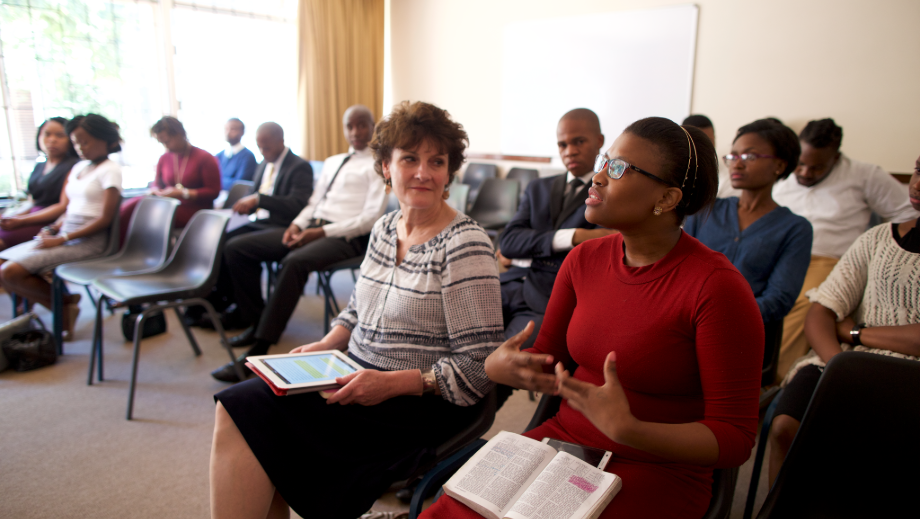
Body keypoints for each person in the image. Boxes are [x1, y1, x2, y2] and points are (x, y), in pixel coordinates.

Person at [422, 117, 764, 519]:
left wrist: (631, 430)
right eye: (605, 161)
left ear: (667, 199)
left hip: (657, 467)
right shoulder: (584, 259)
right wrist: (500, 364)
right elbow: (547, 360)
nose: (597, 177)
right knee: (448, 512)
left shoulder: (717, 287)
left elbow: (736, 438)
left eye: (617, 169)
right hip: (565, 445)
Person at [209, 101, 504, 519]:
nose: (423, 172)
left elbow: (477, 369)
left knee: (249, 414)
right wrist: (327, 342)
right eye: (409, 159)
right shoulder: (385, 227)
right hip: (353, 374)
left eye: (436, 161)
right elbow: (357, 308)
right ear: (385, 166)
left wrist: (391, 385)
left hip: (416, 403)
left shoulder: (465, 244)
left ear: (448, 173)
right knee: (243, 410)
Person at [767, 154, 920, 485]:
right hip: (841, 363)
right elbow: (822, 311)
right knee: (783, 427)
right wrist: (840, 365)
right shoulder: (878, 238)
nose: (917, 183)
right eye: (918, 170)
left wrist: (855, 332)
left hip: (907, 372)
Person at [208, 106, 385, 382]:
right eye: (350, 126)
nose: (356, 132)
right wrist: (297, 224)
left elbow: (369, 219)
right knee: (237, 248)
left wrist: (321, 232)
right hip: (314, 226)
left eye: (362, 125)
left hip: (347, 237)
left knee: (294, 262)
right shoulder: (333, 160)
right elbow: (314, 202)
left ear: (373, 126)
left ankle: (260, 347)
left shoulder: (379, 165)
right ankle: (255, 319)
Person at [772, 118, 918, 381]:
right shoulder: (781, 172)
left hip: (827, 260)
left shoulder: (863, 174)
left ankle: (773, 380)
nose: (805, 173)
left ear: (836, 158)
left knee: (800, 303)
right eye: (801, 165)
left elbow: (908, 211)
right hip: (780, 255)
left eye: (816, 168)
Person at [498, 108, 615, 350]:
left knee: (498, 358)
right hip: (515, 285)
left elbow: (603, 248)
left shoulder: (610, 191)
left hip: (556, 299)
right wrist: (575, 236)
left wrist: (531, 245)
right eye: (562, 145)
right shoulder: (538, 188)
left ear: (599, 141)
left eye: (578, 141)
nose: (569, 151)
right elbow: (509, 242)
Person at [0, 114, 123, 338]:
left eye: (85, 141)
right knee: (3, 263)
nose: (80, 147)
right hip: (66, 235)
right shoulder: (79, 168)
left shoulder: (110, 169)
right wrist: (52, 229)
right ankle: (66, 304)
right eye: (76, 142)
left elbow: (105, 219)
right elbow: (68, 208)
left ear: (105, 139)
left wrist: (63, 239)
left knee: (10, 271)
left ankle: (63, 309)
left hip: (88, 242)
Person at [185, 121, 313, 328]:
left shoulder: (300, 166)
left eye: (267, 147)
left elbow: (297, 205)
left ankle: (251, 313)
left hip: (285, 226)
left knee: (237, 248)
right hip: (261, 222)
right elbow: (254, 196)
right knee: (220, 238)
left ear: (281, 141)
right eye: (259, 147)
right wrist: (245, 206)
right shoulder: (264, 163)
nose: (262, 152)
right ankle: (225, 300)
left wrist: (259, 200)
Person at [683, 119, 812, 325]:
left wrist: (716, 316)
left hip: (745, 332)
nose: (737, 163)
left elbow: (778, 299)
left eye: (749, 156)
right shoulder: (704, 210)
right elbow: (678, 271)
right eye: (733, 156)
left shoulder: (795, 229)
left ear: (779, 165)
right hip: (685, 323)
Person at [118, 116, 221, 244]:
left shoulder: (205, 157)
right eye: (161, 143)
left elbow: (213, 192)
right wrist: (155, 190)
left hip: (194, 210)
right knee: (133, 206)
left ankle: (123, 250)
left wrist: (183, 193)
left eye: (167, 141)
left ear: (180, 134)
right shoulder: (164, 158)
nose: (165, 146)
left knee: (138, 209)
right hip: (169, 205)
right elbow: (157, 184)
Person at [0, 118, 81, 251]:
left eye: (59, 135)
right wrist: (14, 217)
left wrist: (23, 220)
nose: (52, 140)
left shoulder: (73, 166)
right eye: (47, 134)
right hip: (31, 216)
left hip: (49, 221)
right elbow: (33, 201)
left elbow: (62, 206)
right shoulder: (39, 166)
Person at [682, 114, 740, 199]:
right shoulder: (669, 172)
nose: (704, 147)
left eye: (709, 141)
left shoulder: (729, 177)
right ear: (682, 141)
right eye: (696, 142)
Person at [215, 118, 257, 190]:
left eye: (233, 129)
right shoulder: (219, 155)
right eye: (226, 129)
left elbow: (238, 185)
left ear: (242, 132)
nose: (228, 132)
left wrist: (216, 181)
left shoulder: (248, 156)